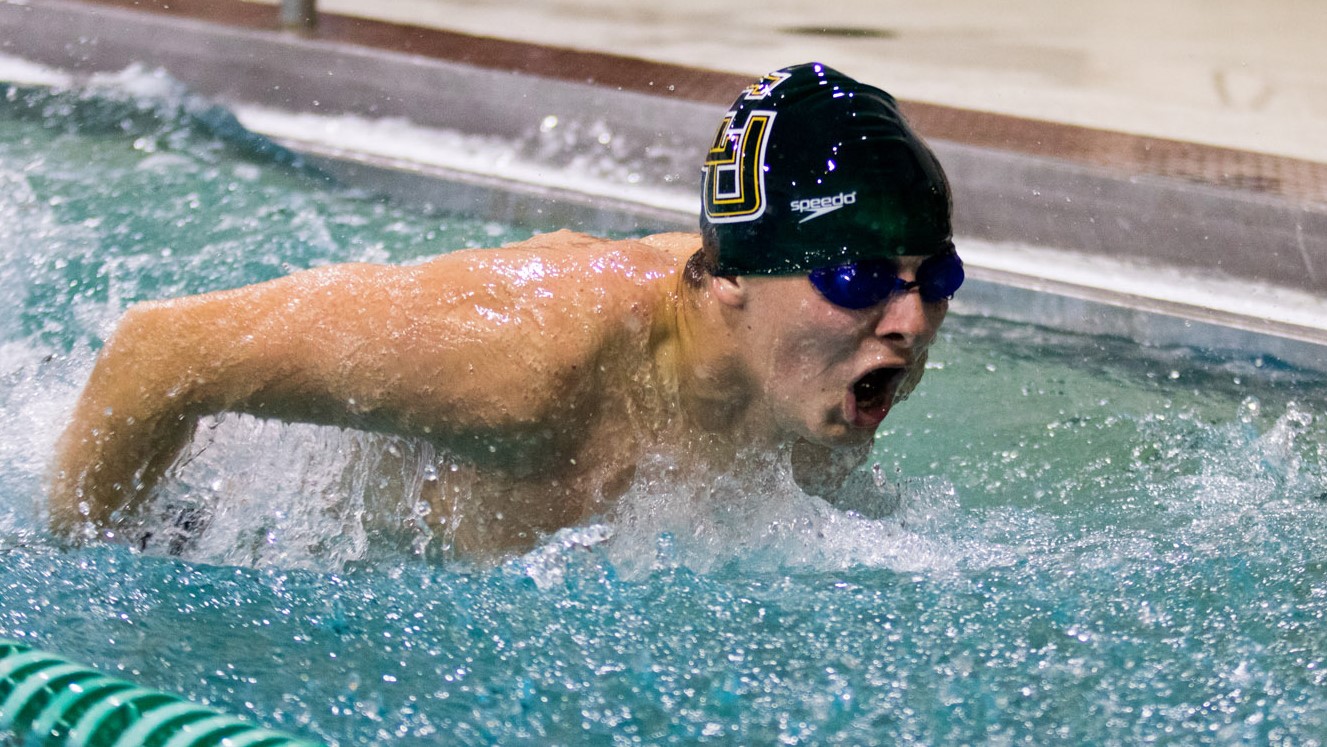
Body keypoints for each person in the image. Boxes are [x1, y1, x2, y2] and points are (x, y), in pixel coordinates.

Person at [49, 62, 963, 557]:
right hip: (211, 515)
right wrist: (94, 574)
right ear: (729, 275)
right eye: (856, 281)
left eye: (937, 278)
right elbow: (160, 349)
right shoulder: (528, 354)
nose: (909, 323)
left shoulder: (811, 386)